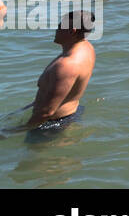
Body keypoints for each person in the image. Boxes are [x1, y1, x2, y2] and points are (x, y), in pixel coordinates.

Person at [21, 10, 97, 138]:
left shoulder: (66, 65)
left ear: (71, 31)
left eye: (60, 27)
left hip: (52, 125)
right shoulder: (87, 47)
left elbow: (46, 113)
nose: (56, 30)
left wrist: (13, 131)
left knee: (36, 158)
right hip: (72, 111)